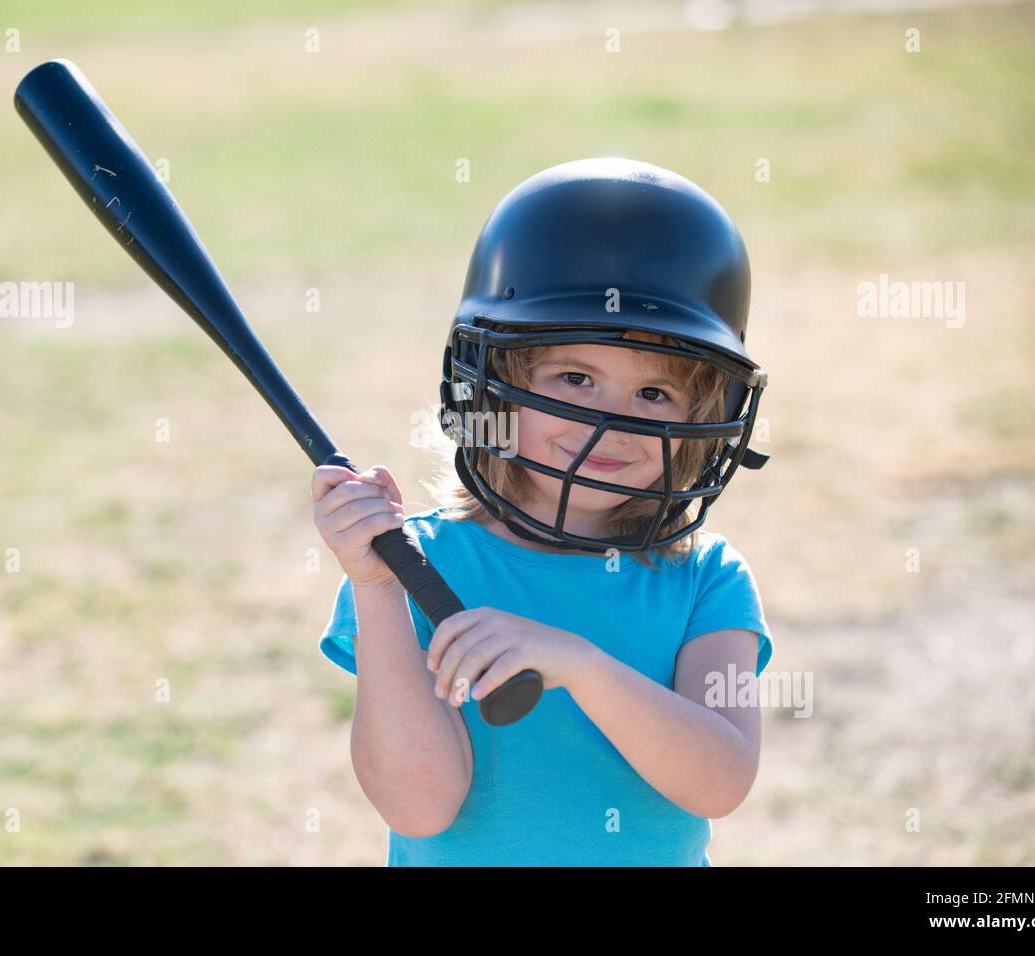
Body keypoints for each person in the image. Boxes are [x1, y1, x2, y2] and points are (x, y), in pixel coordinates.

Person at [312, 157, 773, 865]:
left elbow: (720, 781)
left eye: (655, 394)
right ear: (491, 390)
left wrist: (582, 665)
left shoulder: (707, 579)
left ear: (703, 418)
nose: (611, 422)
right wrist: (376, 587)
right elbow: (419, 805)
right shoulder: (413, 566)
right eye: (575, 378)